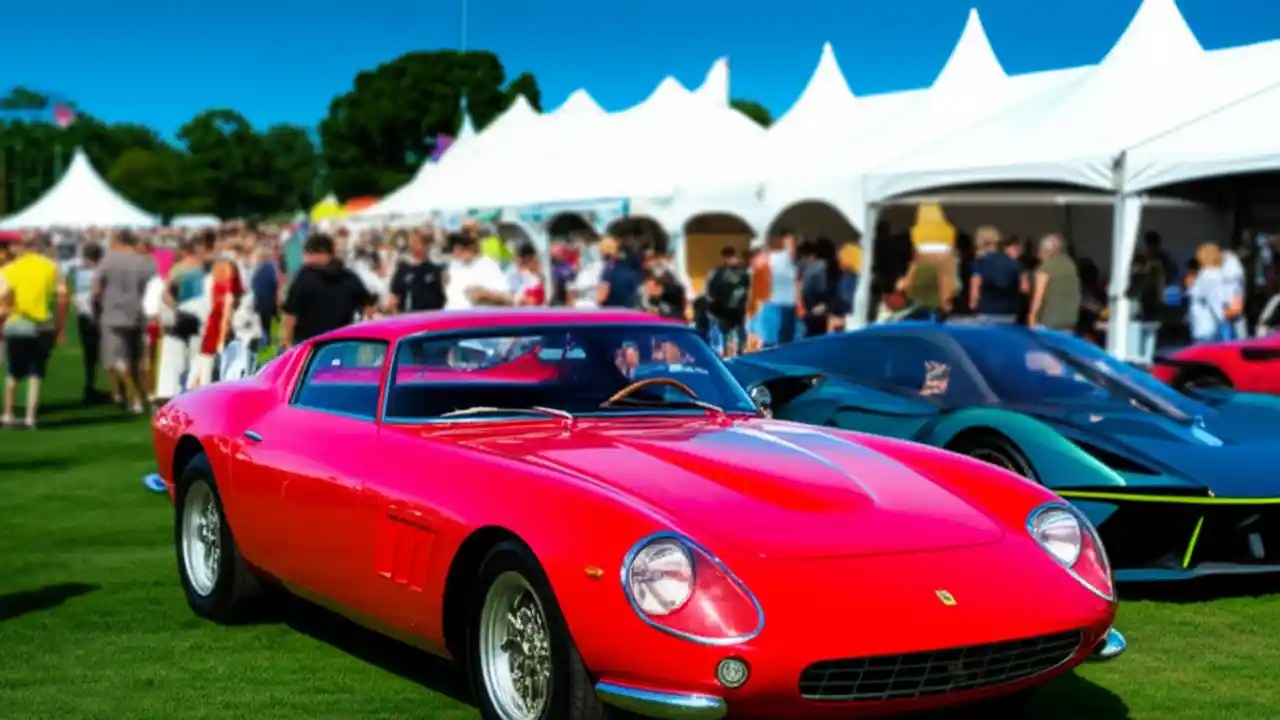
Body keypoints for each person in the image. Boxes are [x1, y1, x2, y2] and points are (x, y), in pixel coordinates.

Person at [0, 234, 68, 428]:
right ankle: (31, 416)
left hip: (17, 323)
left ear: (21, 247)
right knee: (36, 372)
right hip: (43, 325)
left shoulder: (10, 269)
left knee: (13, 372)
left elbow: (4, 297)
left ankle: (9, 413)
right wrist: (60, 326)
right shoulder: (51, 267)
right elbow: (62, 298)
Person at [95, 230, 157, 415]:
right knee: (138, 358)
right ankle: (149, 396)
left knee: (117, 359)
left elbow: (97, 288)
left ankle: (134, 396)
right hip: (138, 312)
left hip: (112, 313)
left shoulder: (109, 259)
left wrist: (99, 304)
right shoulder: (147, 262)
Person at [281, 234, 376, 349]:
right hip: (343, 343)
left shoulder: (304, 277)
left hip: (309, 346)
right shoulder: (349, 276)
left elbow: (290, 314)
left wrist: (287, 342)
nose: (305, 258)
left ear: (320, 253)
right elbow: (369, 308)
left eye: (307, 254)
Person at [71, 242, 106, 402]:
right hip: (96, 315)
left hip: (83, 315)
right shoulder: (99, 273)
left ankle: (90, 385)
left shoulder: (80, 272)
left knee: (89, 354)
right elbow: (96, 295)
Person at [1027, 234, 1081, 332]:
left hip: (1048, 322)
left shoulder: (1045, 268)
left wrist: (1032, 317)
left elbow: (1038, 297)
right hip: (1069, 321)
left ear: (1044, 250)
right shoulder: (1071, 265)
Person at [969, 228, 1024, 323]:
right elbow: (1023, 287)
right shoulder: (1013, 263)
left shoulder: (980, 263)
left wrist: (973, 304)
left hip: (987, 312)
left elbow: (975, 285)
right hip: (1010, 313)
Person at [444, 232, 511, 309]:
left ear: (471, 248)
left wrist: (485, 294)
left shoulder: (487, 264)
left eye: (459, 248)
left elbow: (506, 298)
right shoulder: (454, 266)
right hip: (454, 315)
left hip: (478, 316)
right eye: (454, 249)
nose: (455, 252)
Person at [705, 246, 750, 356]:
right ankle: (735, 354)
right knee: (731, 337)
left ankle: (729, 355)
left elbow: (710, 293)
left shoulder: (717, 272)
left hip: (728, 311)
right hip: (730, 311)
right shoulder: (742, 272)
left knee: (727, 337)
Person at [388, 229, 447, 313]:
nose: (413, 245)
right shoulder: (403, 268)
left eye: (417, 242)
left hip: (430, 318)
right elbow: (393, 296)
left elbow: (441, 296)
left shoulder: (434, 269)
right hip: (408, 318)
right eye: (412, 242)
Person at [1188, 243, 1234, 343]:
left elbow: (1215, 301)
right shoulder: (1207, 274)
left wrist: (1223, 320)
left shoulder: (1211, 275)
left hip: (1208, 329)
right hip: (1204, 326)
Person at [596, 235, 641, 308]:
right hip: (629, 312)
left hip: (611, 313)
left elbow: (602, 296)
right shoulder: (636, 271)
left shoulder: (609, 270)